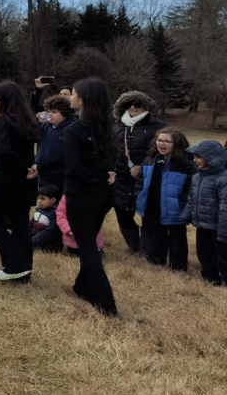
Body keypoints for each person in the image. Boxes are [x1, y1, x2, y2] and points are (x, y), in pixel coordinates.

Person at [62, 78, 118, 316]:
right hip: (103, 196)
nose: (70, 97)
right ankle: (81, 288)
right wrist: (105, 176)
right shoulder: (108, 127)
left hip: (83, 196)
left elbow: (73, 168)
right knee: (88, 242)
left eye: (73, 93)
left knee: (87, 248)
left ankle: (106, 305)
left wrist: (100, 177)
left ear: (83, 99)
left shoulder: (74, 130)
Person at [0, 81, 39, 282]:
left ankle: (16, 264)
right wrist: (29, 169)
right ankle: (25, 270)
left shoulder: (2, 121)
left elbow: (4, 151)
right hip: (25, 181)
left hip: (5, 179)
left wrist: (21, 169)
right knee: (20, 225)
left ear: (5, 100)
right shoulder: (27, 121)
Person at [135, 127, 195, 271]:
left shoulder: (185, 164)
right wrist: (139, 196)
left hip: (174, 209)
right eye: (159, 140)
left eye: (167, 141)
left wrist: (182, 205)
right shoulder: (150, 160)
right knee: (155, 237)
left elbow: (191, 188)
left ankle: (179, 267)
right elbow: (140, 181)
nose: (162, 144)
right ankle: (156, 263)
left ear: (177, 144)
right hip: (152, 207)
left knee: (177, 240)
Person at [112, 91, 164, 254]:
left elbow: (163, 150)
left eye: (137, 104)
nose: (133, 107)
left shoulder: (158, 126)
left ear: (146, 107)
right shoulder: (119, 126)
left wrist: (143, 166)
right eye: (129, 104)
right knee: (122, 213)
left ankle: (147, 250)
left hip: (146, 178)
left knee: (147, 214)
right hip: (120, 177)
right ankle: (134, 246)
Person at [179, 141, 227, 286]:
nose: (195, 160)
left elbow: (225, 207)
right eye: (194, 156)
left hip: (218, 227)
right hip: (202, 225)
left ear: (212, 157)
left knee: (223, 255)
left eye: (198, 157)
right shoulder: (197, 177)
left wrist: (224, 231)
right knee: (204, 253)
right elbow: (192, 199)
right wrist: (185, 216)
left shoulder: (223, 179)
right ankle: (210, 278)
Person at [33, 95, 73, 191]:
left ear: (65, 114)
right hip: (42, 175)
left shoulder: (69, 129)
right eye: (48, 111)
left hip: (59, 178)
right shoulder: (45, 126)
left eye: (54, 112)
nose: (50, 114)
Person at [31, 185, 63, 252]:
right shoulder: (38, 210)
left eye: (42, 199)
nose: (39, 201)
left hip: (50, 244)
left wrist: (32, 240)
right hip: (35, 240)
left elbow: (50, 232)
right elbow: (30, 225)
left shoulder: (56, 214)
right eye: (38, 198)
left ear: (53, 200)